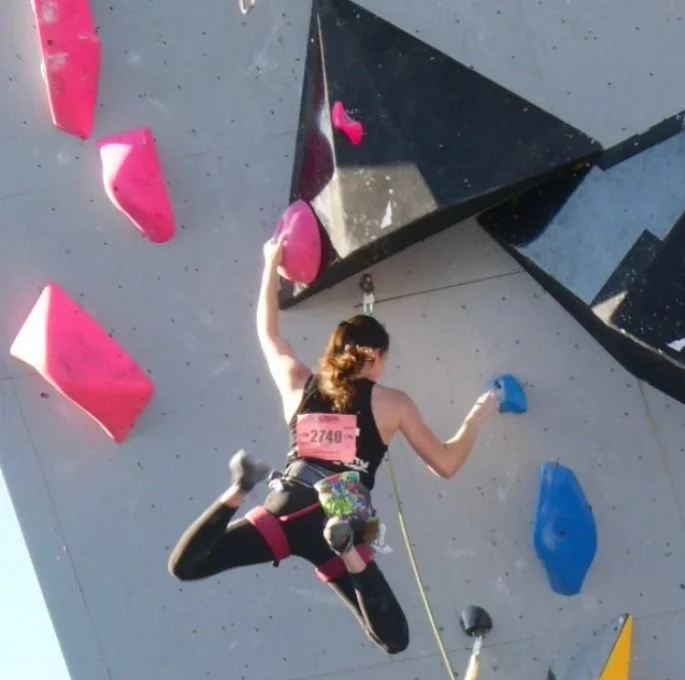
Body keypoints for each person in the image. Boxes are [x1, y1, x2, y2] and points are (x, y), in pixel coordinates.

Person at [168, 236, 501, 655]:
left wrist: (270, 264)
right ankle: (349, 552)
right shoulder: (393, 403)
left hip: (288, 504)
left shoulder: (298, 382)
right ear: (377, 357)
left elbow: (267, 332)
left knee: (186, 566)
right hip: (339, 511)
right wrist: (476, 417)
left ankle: (239, 489)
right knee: (394, 638)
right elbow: (446, 463)